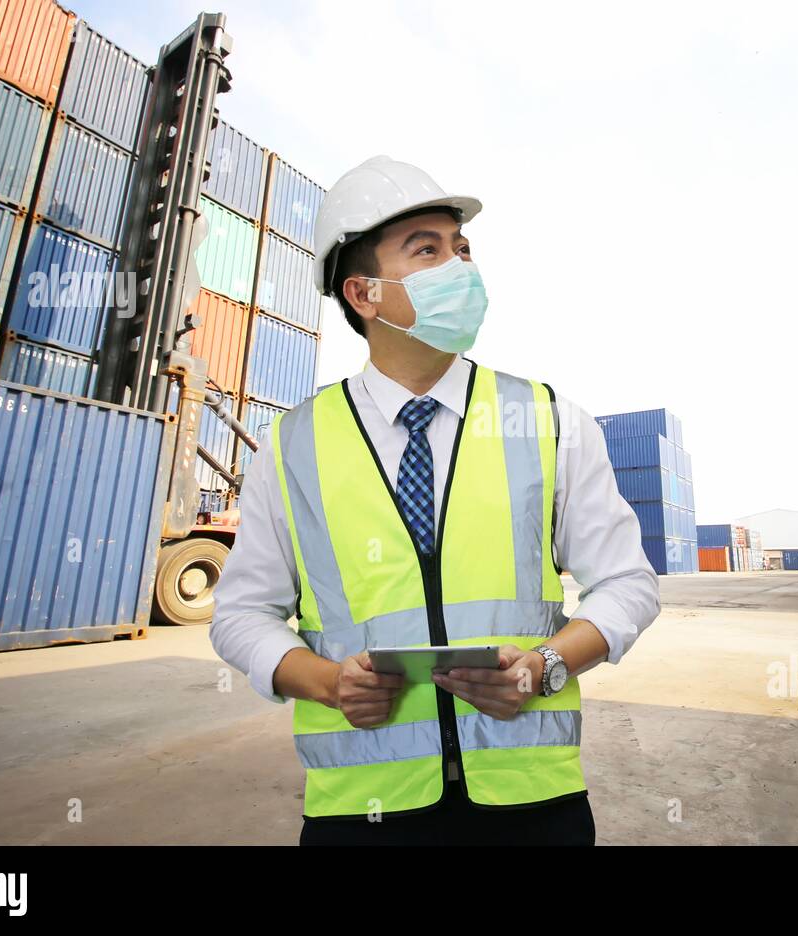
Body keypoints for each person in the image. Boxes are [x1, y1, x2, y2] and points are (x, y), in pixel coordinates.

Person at [210, 155, 660, 846]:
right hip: (363, 813)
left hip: (532, 807)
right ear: (364, 294)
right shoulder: (292, 444)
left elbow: (628, 585)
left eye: (464, 250)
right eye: (428, 250)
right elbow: (241, 615)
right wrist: (328, 683)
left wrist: (546, 666)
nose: (461, 268)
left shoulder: (547, 418)